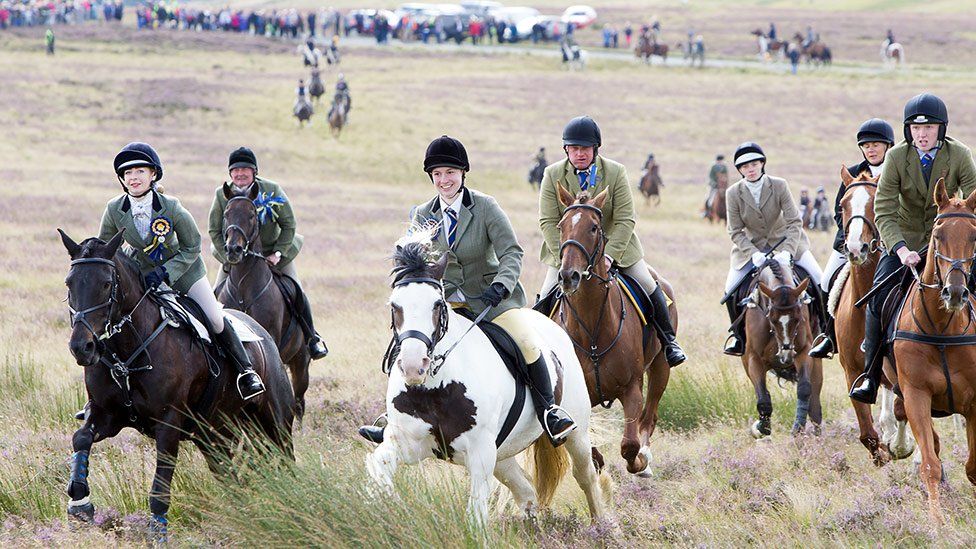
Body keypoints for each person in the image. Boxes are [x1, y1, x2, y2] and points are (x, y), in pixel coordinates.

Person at [359, 136, 577, 446]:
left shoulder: (486, 207)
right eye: (437, 174)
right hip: (446, 305)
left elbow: (512, 252)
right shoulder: (423, 213)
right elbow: (412, 258)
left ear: (463, 173)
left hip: (491, 300)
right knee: (407, 345)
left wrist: (501, 285)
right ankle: (393, 420)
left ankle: (549, 412)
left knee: (527, 343)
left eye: (449, 173)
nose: (443, 180)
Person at [84, 143, 265, 416]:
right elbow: (107, 250)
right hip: (141, 280)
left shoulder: (172, 207)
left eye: (139, 171)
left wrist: (167, 272)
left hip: (185, 276)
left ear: (153, 174)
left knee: (215, 318)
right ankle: (97, 398)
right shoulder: (113, 209)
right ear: (121, 179)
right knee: (109, 322)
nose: (133, 177)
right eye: (127, 173)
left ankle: (246, 372)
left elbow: (192, 246)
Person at [850, 93, 976, 403]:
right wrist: (901, 249)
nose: (922, 134)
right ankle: (870, 372)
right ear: (908, 131)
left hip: (950, 242)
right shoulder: (896, 158)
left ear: (940, 129)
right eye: (916, 129)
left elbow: (974, 198)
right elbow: (884, 210)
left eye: (929, 128)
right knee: (878, 296)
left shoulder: (960, 155)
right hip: (905, 241)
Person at [537, 116, 686, 367]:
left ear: (595, 149)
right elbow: (547, 221)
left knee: (650, 287)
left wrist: (609, 256)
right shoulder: (552, 174)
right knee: (544, 299)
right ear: (566, 150)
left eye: (584, 149)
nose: (579, 154)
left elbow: (626, 219)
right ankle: (538, 355)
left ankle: (668, 341)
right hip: (570, 251)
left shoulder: (615, 172)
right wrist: (565, 256)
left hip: (616, 250)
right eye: (574, 149)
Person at [208, 147, 329, 360]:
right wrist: (227, 255)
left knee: (296, 290)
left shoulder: (271, 190)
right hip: (235, 252)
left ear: (255, 171)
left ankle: (312, 339)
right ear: (230, 174)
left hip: (273, 253)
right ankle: (209, 344)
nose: (240, 174)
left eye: (245, 169)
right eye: (235, 170)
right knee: (215, 294)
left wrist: (279, 253)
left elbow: (289, 224)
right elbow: (213, 229)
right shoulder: (222, 194)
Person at [722, 142, 825, 355]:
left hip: (787, 243)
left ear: (762, 163)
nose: (750, 169)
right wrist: (753, 254)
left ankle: (825, 331)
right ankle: (737, 337)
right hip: (751, 250)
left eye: (753, 164)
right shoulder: (733, 193)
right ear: (739, 170)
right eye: (744, 166)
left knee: (819, 278)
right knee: (730, 289)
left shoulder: (779, 185)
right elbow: (734, 231)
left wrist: (787, 250)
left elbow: (794, 221)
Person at [809, 118, 895, 359]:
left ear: (888, 146)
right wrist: (851, 234)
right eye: (866, 145)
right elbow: (840, 210)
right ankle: (829, 336)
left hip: (889, 242)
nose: (871, 149)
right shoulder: (854, 173)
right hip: (852, 241)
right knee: (826, 282)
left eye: (876, 144)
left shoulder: (895, 169)